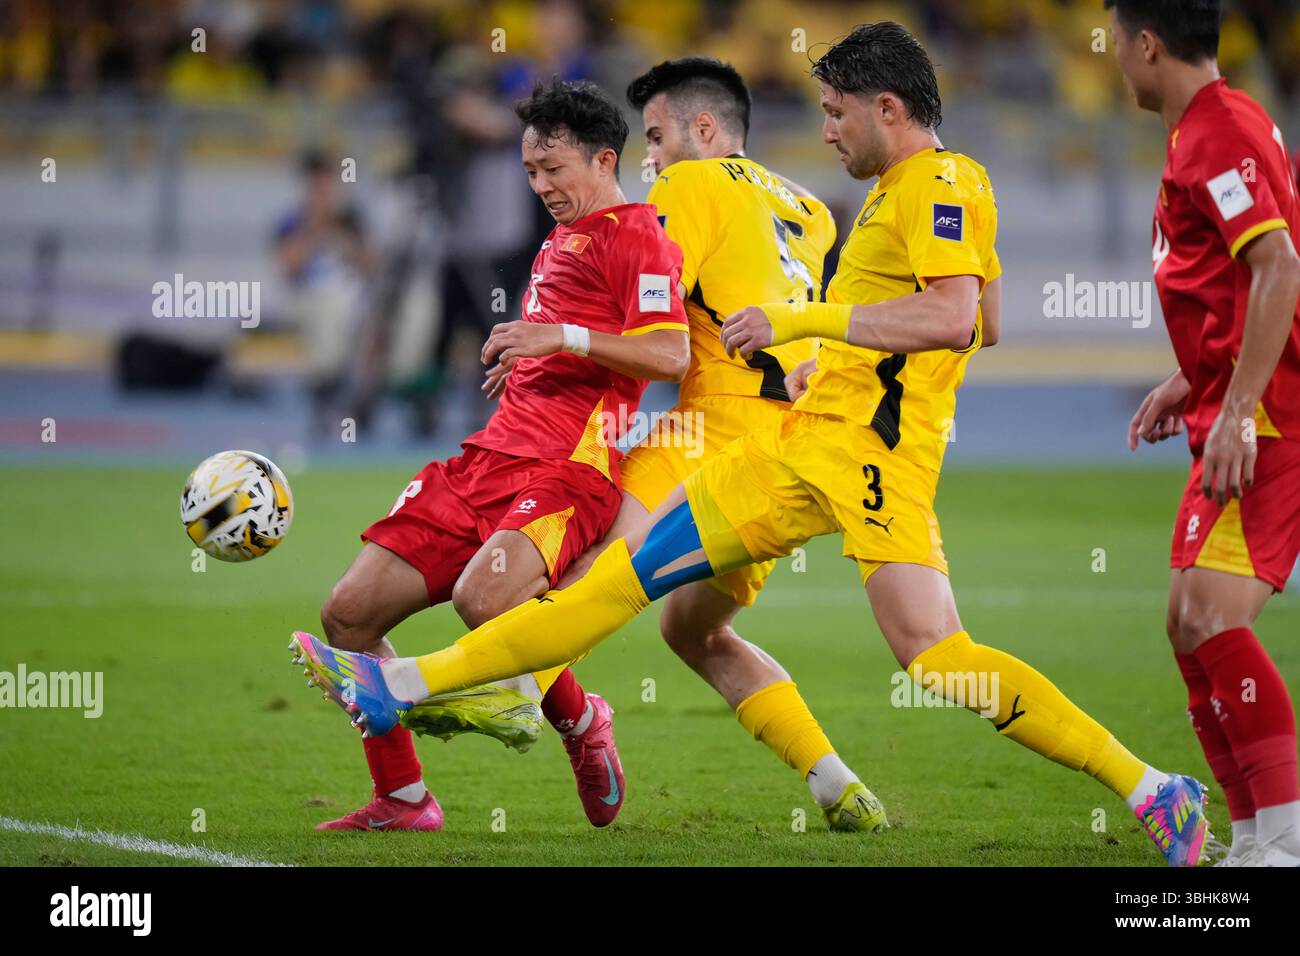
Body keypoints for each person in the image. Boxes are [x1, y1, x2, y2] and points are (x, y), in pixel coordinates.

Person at [295, 23, 1211, 866]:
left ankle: (1149, 786)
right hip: (801, 447)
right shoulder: (841, 205)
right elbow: (988, 325)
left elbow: (953, 316)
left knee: (924, 653)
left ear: (885, 108)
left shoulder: (923, 181)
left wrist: (788, 322)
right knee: (659, 604)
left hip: (829, 451)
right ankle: (408, 685)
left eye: (835, 112)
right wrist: (832, 363)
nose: (824, 133)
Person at [293, 79, 689, 831]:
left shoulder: (637, 232)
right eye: (531, 172)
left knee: (486, 602)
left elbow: (671, 353)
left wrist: (557, 340)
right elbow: (570, 340)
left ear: (605, 159)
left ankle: (581, 722)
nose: (540, 187)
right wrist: (527, 359)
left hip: (568, 470)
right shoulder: (558, 237)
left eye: (555, 171)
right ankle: (404, 798)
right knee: (347, 616)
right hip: (486, 459)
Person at [556, 56, 886, 832]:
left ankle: (456, 692)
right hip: (789, 442)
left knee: (581, 577)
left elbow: (642, 292)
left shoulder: (687, 186)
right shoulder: (812, 207)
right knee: (693, 629)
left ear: (706, 130)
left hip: (713, 422)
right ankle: (834, 780)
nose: (653, 156)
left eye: (660, 135)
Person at [1108, 0, 1300, 866]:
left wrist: (1234, 409)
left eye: (1116, 40)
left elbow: (1279, 267)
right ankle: (1255, 833)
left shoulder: (1220, 132)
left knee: (1215, 616)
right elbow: (1240, 285)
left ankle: (1286, 838)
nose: (1112, 58)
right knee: (1187, 620)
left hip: (1267, 422)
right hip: (1233, 407)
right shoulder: (1207, 132)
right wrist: (1192, 377)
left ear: (1147, 44)